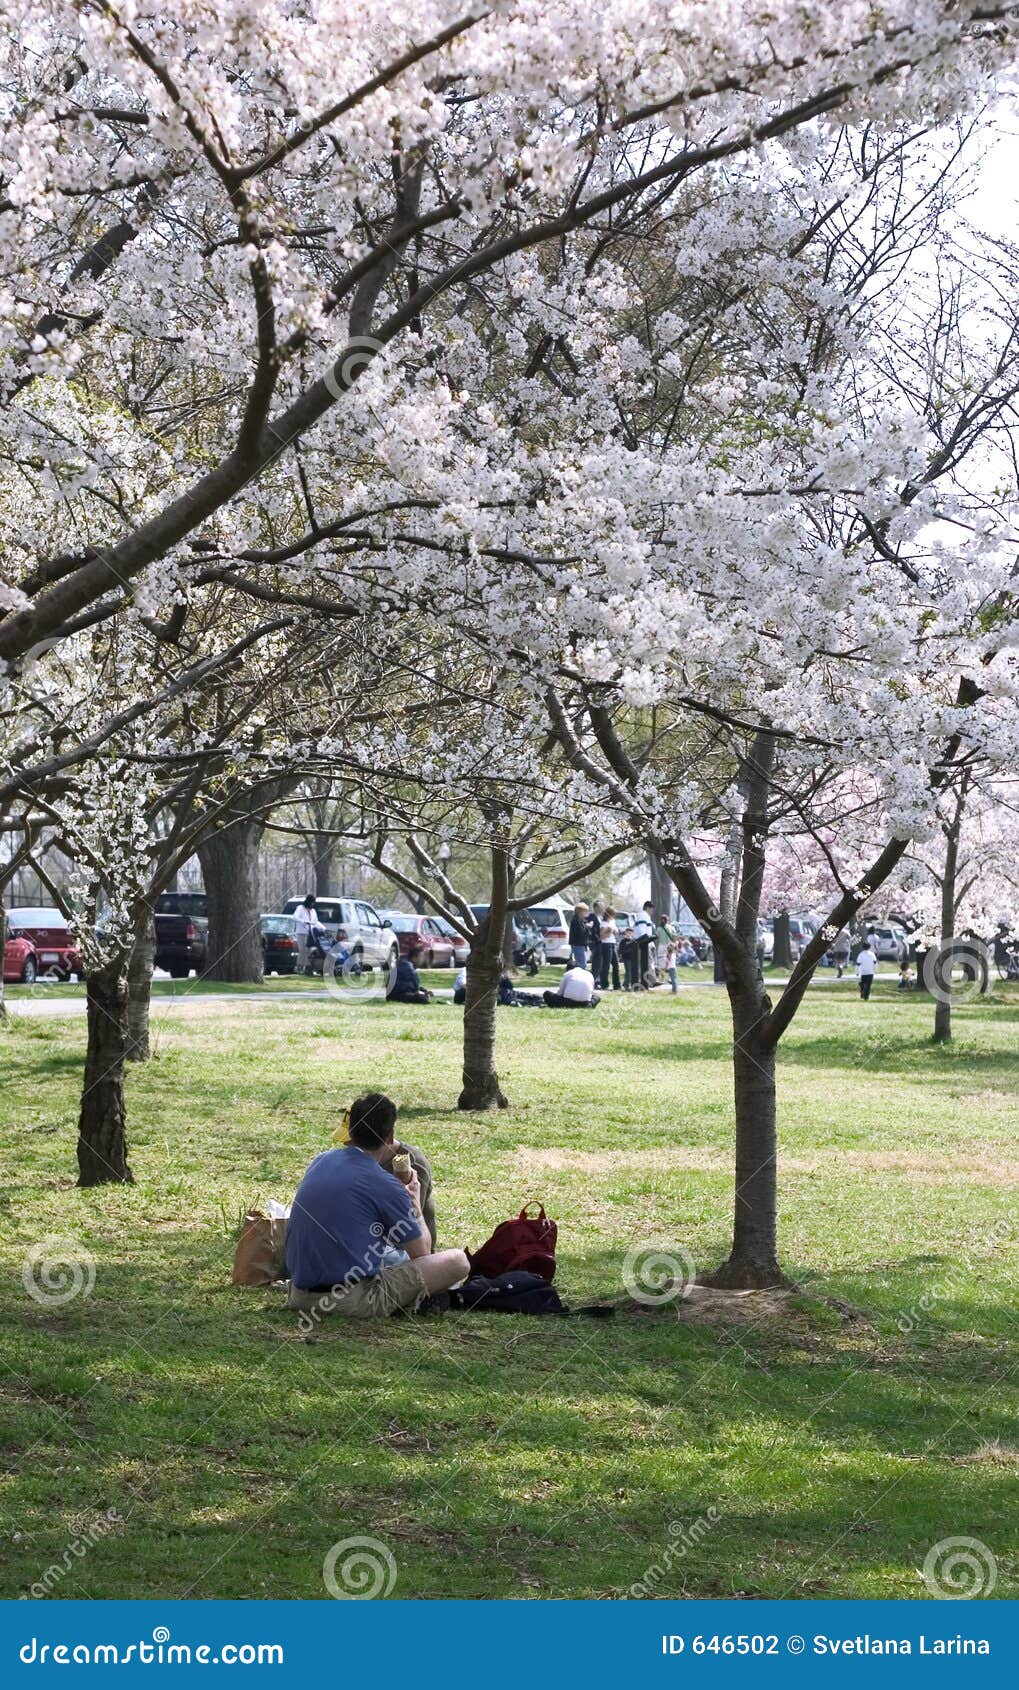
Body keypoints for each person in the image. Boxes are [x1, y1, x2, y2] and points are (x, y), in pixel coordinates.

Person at [286, 1093, 468, 1318]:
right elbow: (420, 1254)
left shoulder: (320, 1161)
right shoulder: (386, 1184)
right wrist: (414, 1203)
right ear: (390, 1136)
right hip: (350, 1301)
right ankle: (415, 1301)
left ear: (350, 1130)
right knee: (458, 1261)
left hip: (298, 1295)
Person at [293, 893, 319, 970]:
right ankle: (299, 966)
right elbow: (295, 917)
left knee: (308, 950)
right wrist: (304, 921)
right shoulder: (300, 908)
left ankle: (308, 966)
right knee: (302, 950)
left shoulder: (313, 911)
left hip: (310, 933)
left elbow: (316, 921)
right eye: (311, 902)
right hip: (301, 932)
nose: (312, 904)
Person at [633, 901, 656, 989]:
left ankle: (650, 981)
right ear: (648, 908)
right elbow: (642, 930)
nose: (652, 911)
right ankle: (651, 981)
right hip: (644, 943)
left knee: (649, 962)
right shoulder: (643, 915)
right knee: (648, 963)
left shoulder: (646, 916)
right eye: (652, 909)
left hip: (647, 943)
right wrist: (645, 940)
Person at [599, 906, 621, 990]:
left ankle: (617, 984)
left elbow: (617, 933)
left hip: (613, 943)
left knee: (616, 965)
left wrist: (615, 931)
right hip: (606, 944)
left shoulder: (612, 922)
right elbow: (602, 936)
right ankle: (604, 984)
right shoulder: (603, 923)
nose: (614, 916)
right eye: (613, 914)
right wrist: (609, 931)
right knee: (606, 965)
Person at [568, 902, 591, 968]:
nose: (586, 913)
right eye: (585, 911)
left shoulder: (580, 920)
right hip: (578, 944)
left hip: (580, 944)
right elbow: (580, 932)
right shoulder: (576, 920)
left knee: (581, 963)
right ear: (580, 911)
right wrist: (587, 927)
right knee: (582, 964)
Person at [589, 898, 605, 985]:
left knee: (600, 962)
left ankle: (598, 979)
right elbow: (593, 931)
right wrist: (598, 939)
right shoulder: (592, 917)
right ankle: (594, 980)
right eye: (601, 907)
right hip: (596, 943)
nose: (603, 908)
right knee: (596, 962)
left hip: (601, 943)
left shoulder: (601, 918)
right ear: (596, 908)